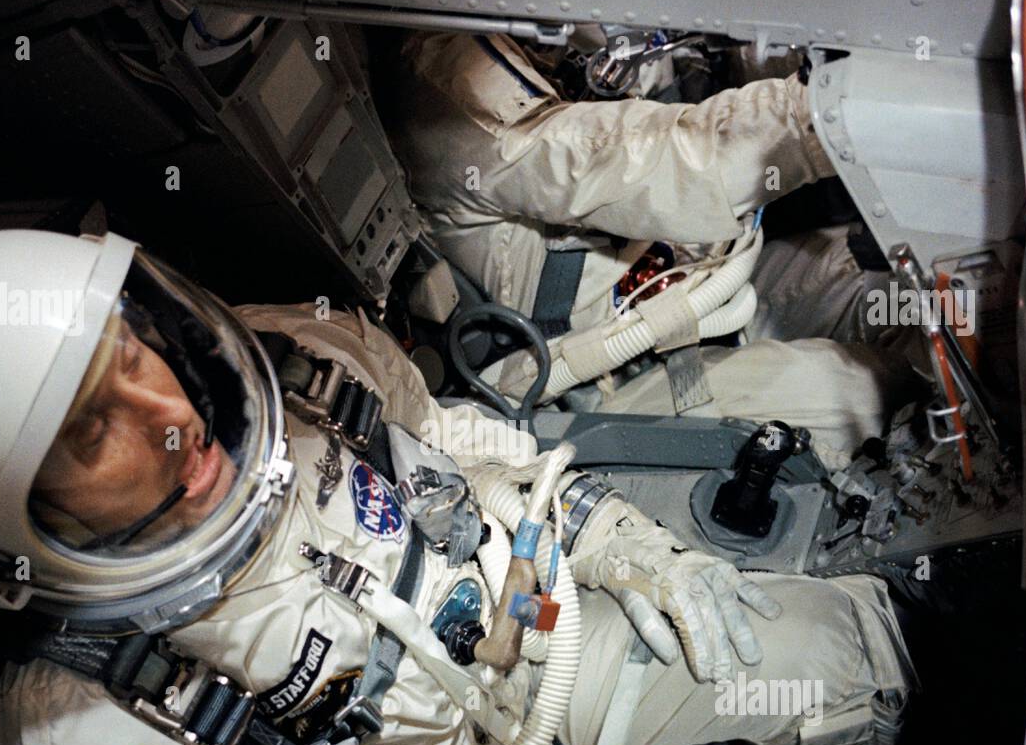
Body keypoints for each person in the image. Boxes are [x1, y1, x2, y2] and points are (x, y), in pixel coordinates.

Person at [0, 228, 913, 745]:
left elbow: (480, 449)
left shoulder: (303, 366)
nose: (172, 419)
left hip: (539, 648)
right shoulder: (81, 742)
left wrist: (635, 553)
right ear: (15, 532)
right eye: (92, 433)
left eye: (135, 357)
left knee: (838, 664)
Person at [385, 31, 917, 462]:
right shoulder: (447, 80)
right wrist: (822, 110)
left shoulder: (550, 17)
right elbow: (665, 162)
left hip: (695, 282)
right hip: (606, 370)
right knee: (857, 394)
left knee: (903, 292)